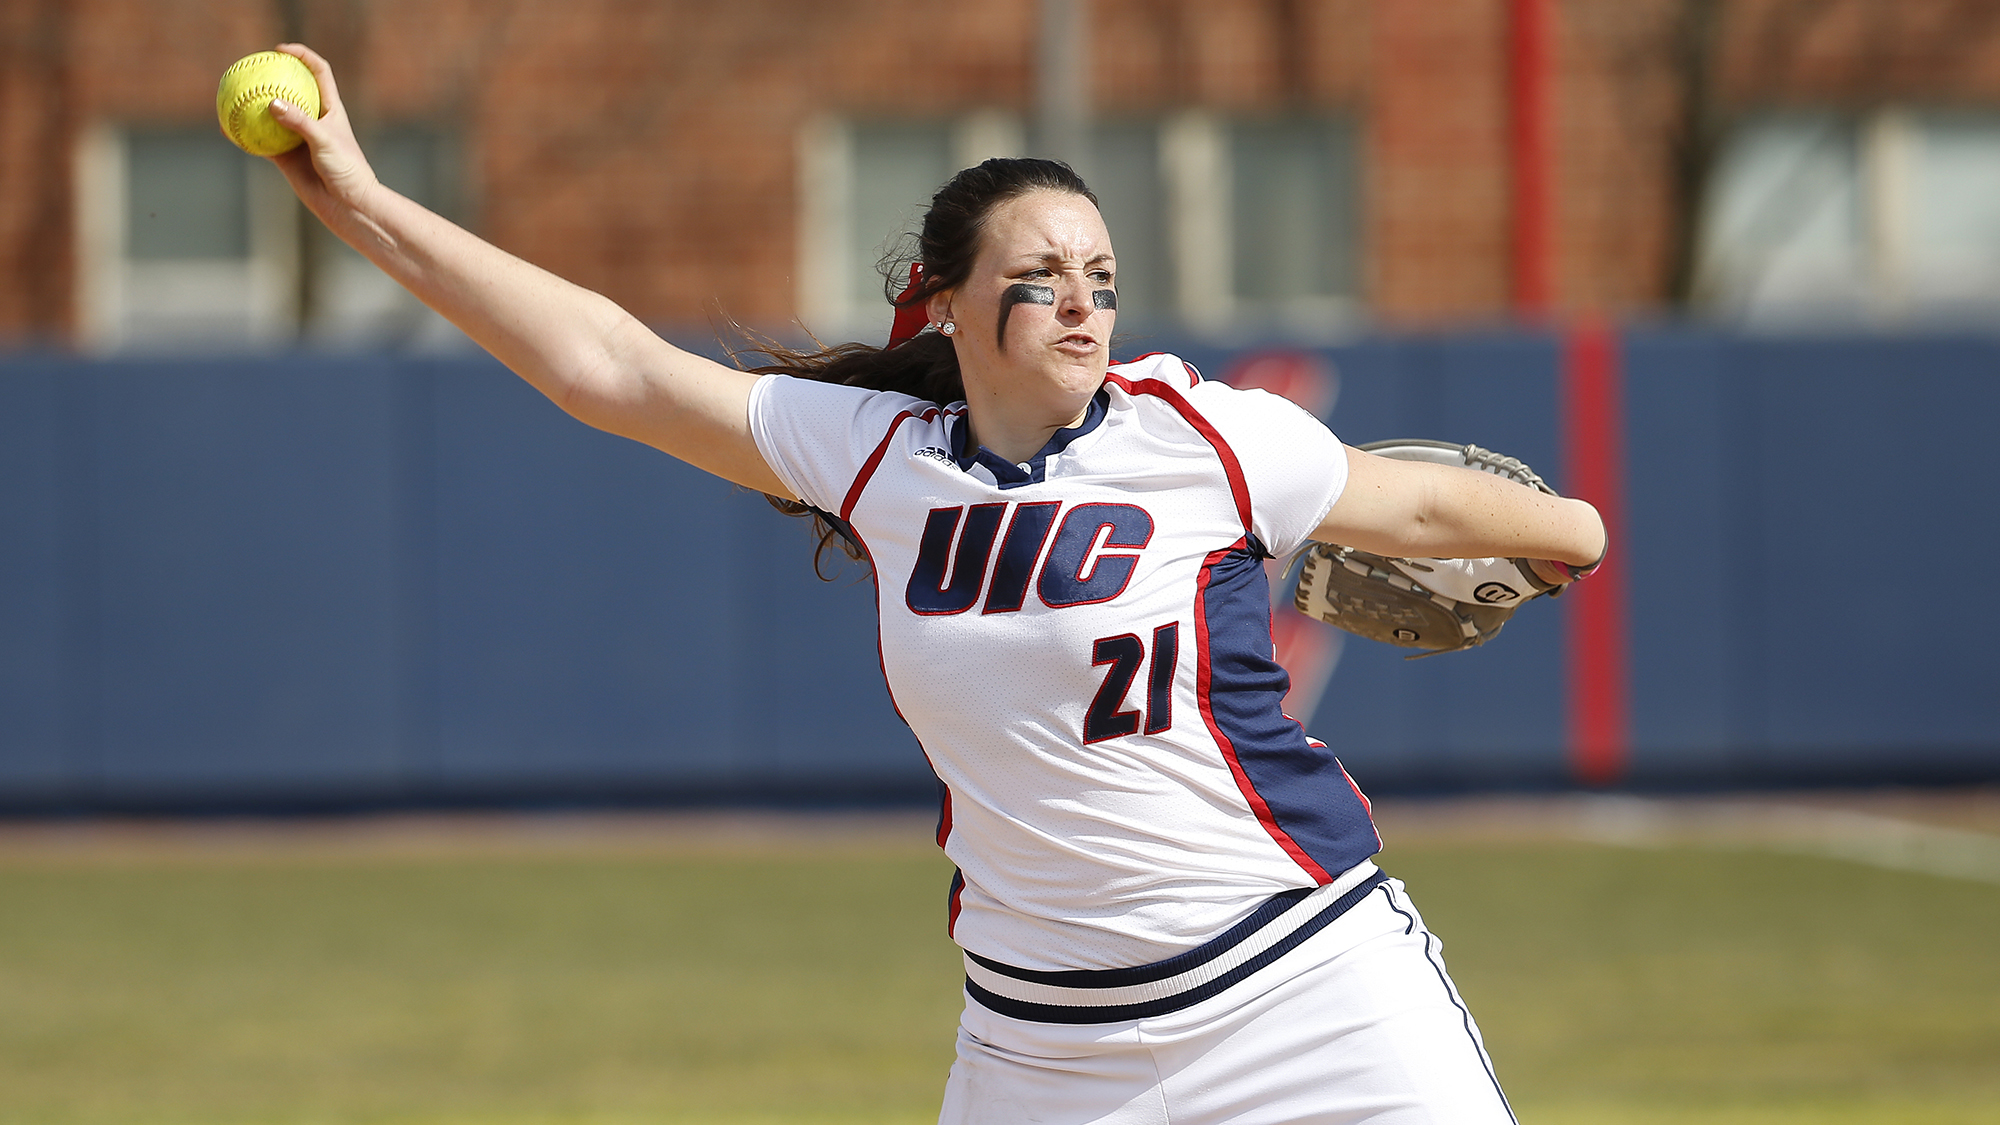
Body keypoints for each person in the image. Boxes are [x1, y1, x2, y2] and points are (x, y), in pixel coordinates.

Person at [264, 44, 1605, 1125]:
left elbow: (1419, 498)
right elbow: (606, 366)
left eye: (1103, 277)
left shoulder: (1200, 435)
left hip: (1303, 988)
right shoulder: (879, 456)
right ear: (949, 306)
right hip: (1044, 1051)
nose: (1085, 304)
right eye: (1040, 278)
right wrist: (364, 203)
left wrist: (1576, 528)